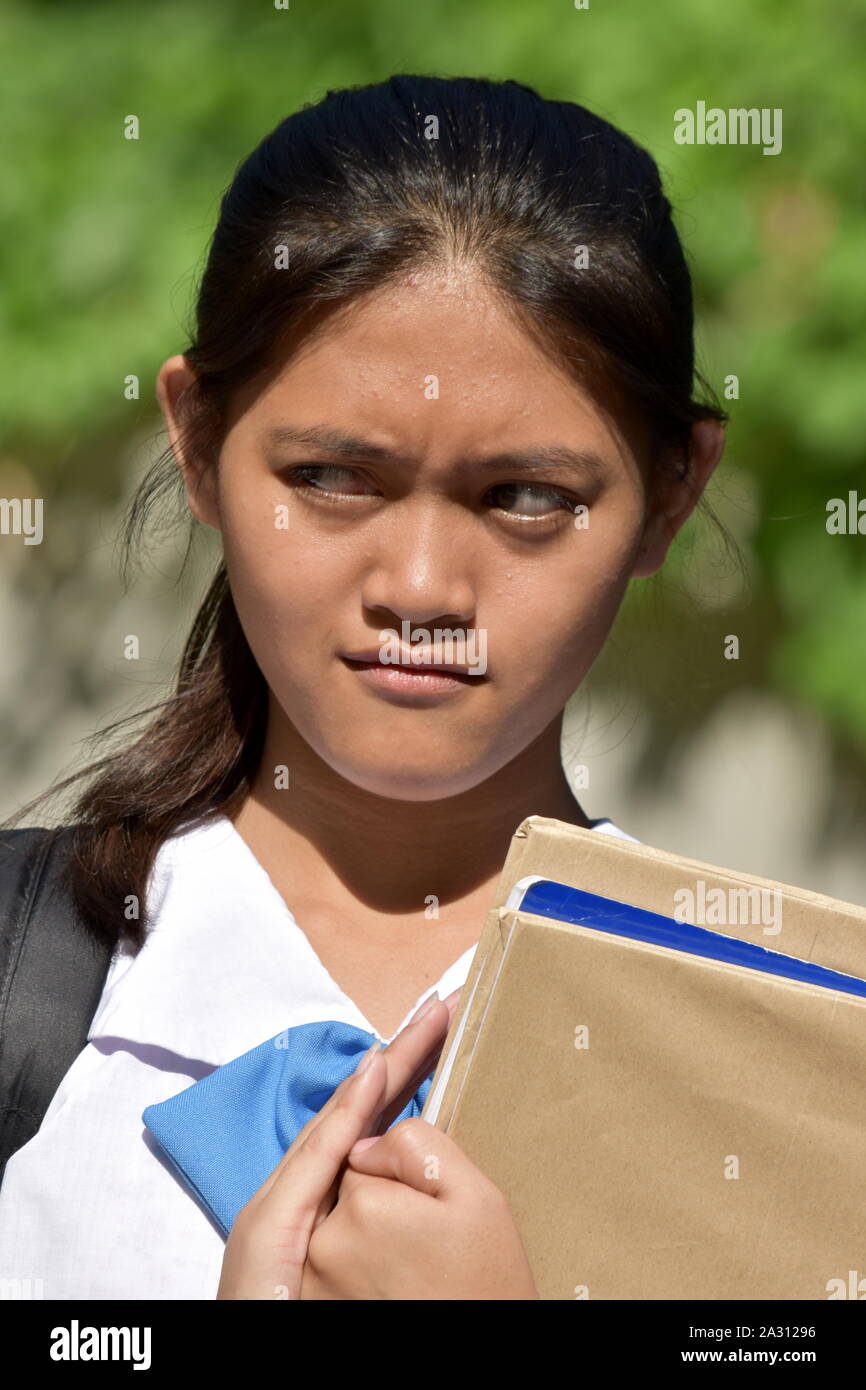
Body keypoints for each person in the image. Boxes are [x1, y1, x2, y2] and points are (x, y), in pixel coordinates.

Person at [0, 73, 727, 1299]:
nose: (423, 584)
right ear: (194, 438)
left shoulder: (768, 1053)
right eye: (333, 475)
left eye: (528, 497)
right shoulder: (30, 989)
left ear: (668, 493)